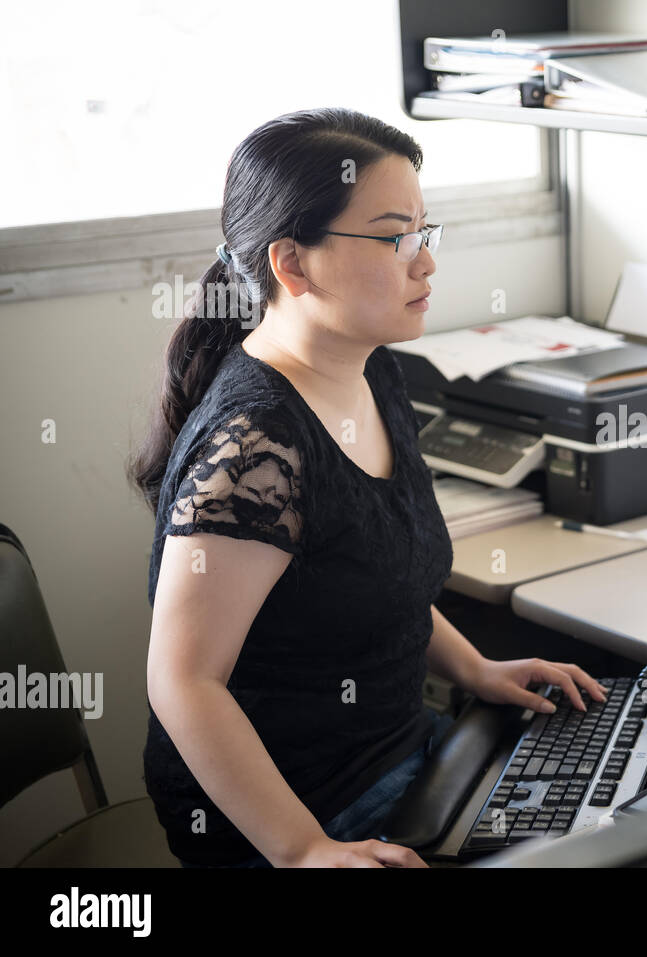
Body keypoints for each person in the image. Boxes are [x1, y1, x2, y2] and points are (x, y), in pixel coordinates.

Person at [127, 108, 606, 868]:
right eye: (393, 237)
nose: (425, 263)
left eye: (423, 232)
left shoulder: (372, 367)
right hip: (298, 810)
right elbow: (183, 680)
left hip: (398, 751)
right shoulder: (255, 442)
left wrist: (476, 669)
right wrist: (304, 850)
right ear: (293, 264)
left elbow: (377, 583)